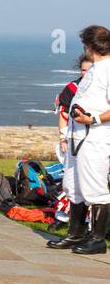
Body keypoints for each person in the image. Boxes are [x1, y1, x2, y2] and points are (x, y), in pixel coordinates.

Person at [63, 25, 110, 256]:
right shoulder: (94, 69)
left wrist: (93, 118)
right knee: (74, 186)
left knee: (95, 186)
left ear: (90, 46)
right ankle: (76, 233)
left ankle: (98, 239)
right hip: (77, 135)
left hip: (96, 137)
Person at [49, 53, 92, 248]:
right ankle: (65, 222)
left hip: (93, 142)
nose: (86, 73)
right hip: (73, 140)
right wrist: (62, 138)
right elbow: (63, 115)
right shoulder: (72, 88)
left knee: (92, 184)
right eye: (83, 69)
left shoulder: (100, 89)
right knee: (70, 182)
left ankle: (92, 230)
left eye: (89, 69)